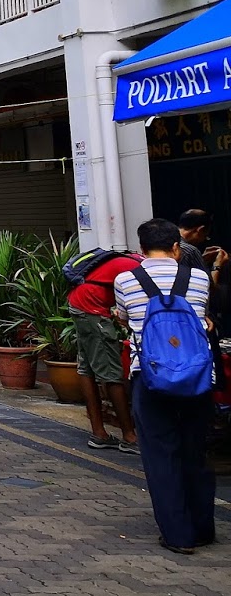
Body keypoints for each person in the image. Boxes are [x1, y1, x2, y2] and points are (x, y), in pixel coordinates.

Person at [113, 218, 215, 554]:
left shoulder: (126, 279)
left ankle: (177, 535)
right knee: (195, 452)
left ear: (141, 250)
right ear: (176, 246)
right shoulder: (198, 277)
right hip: (198, 378)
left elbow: (127, 319)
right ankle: (203, 529)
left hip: (151, 377)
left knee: (161, 455)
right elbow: (202, 317)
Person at [66, 245, 140, 452]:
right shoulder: (140, 269)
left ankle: (99, 433)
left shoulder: (129, 259)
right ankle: (129, 436)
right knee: (111, 371)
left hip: (81, 304)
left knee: (88, 367)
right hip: (93, 309)